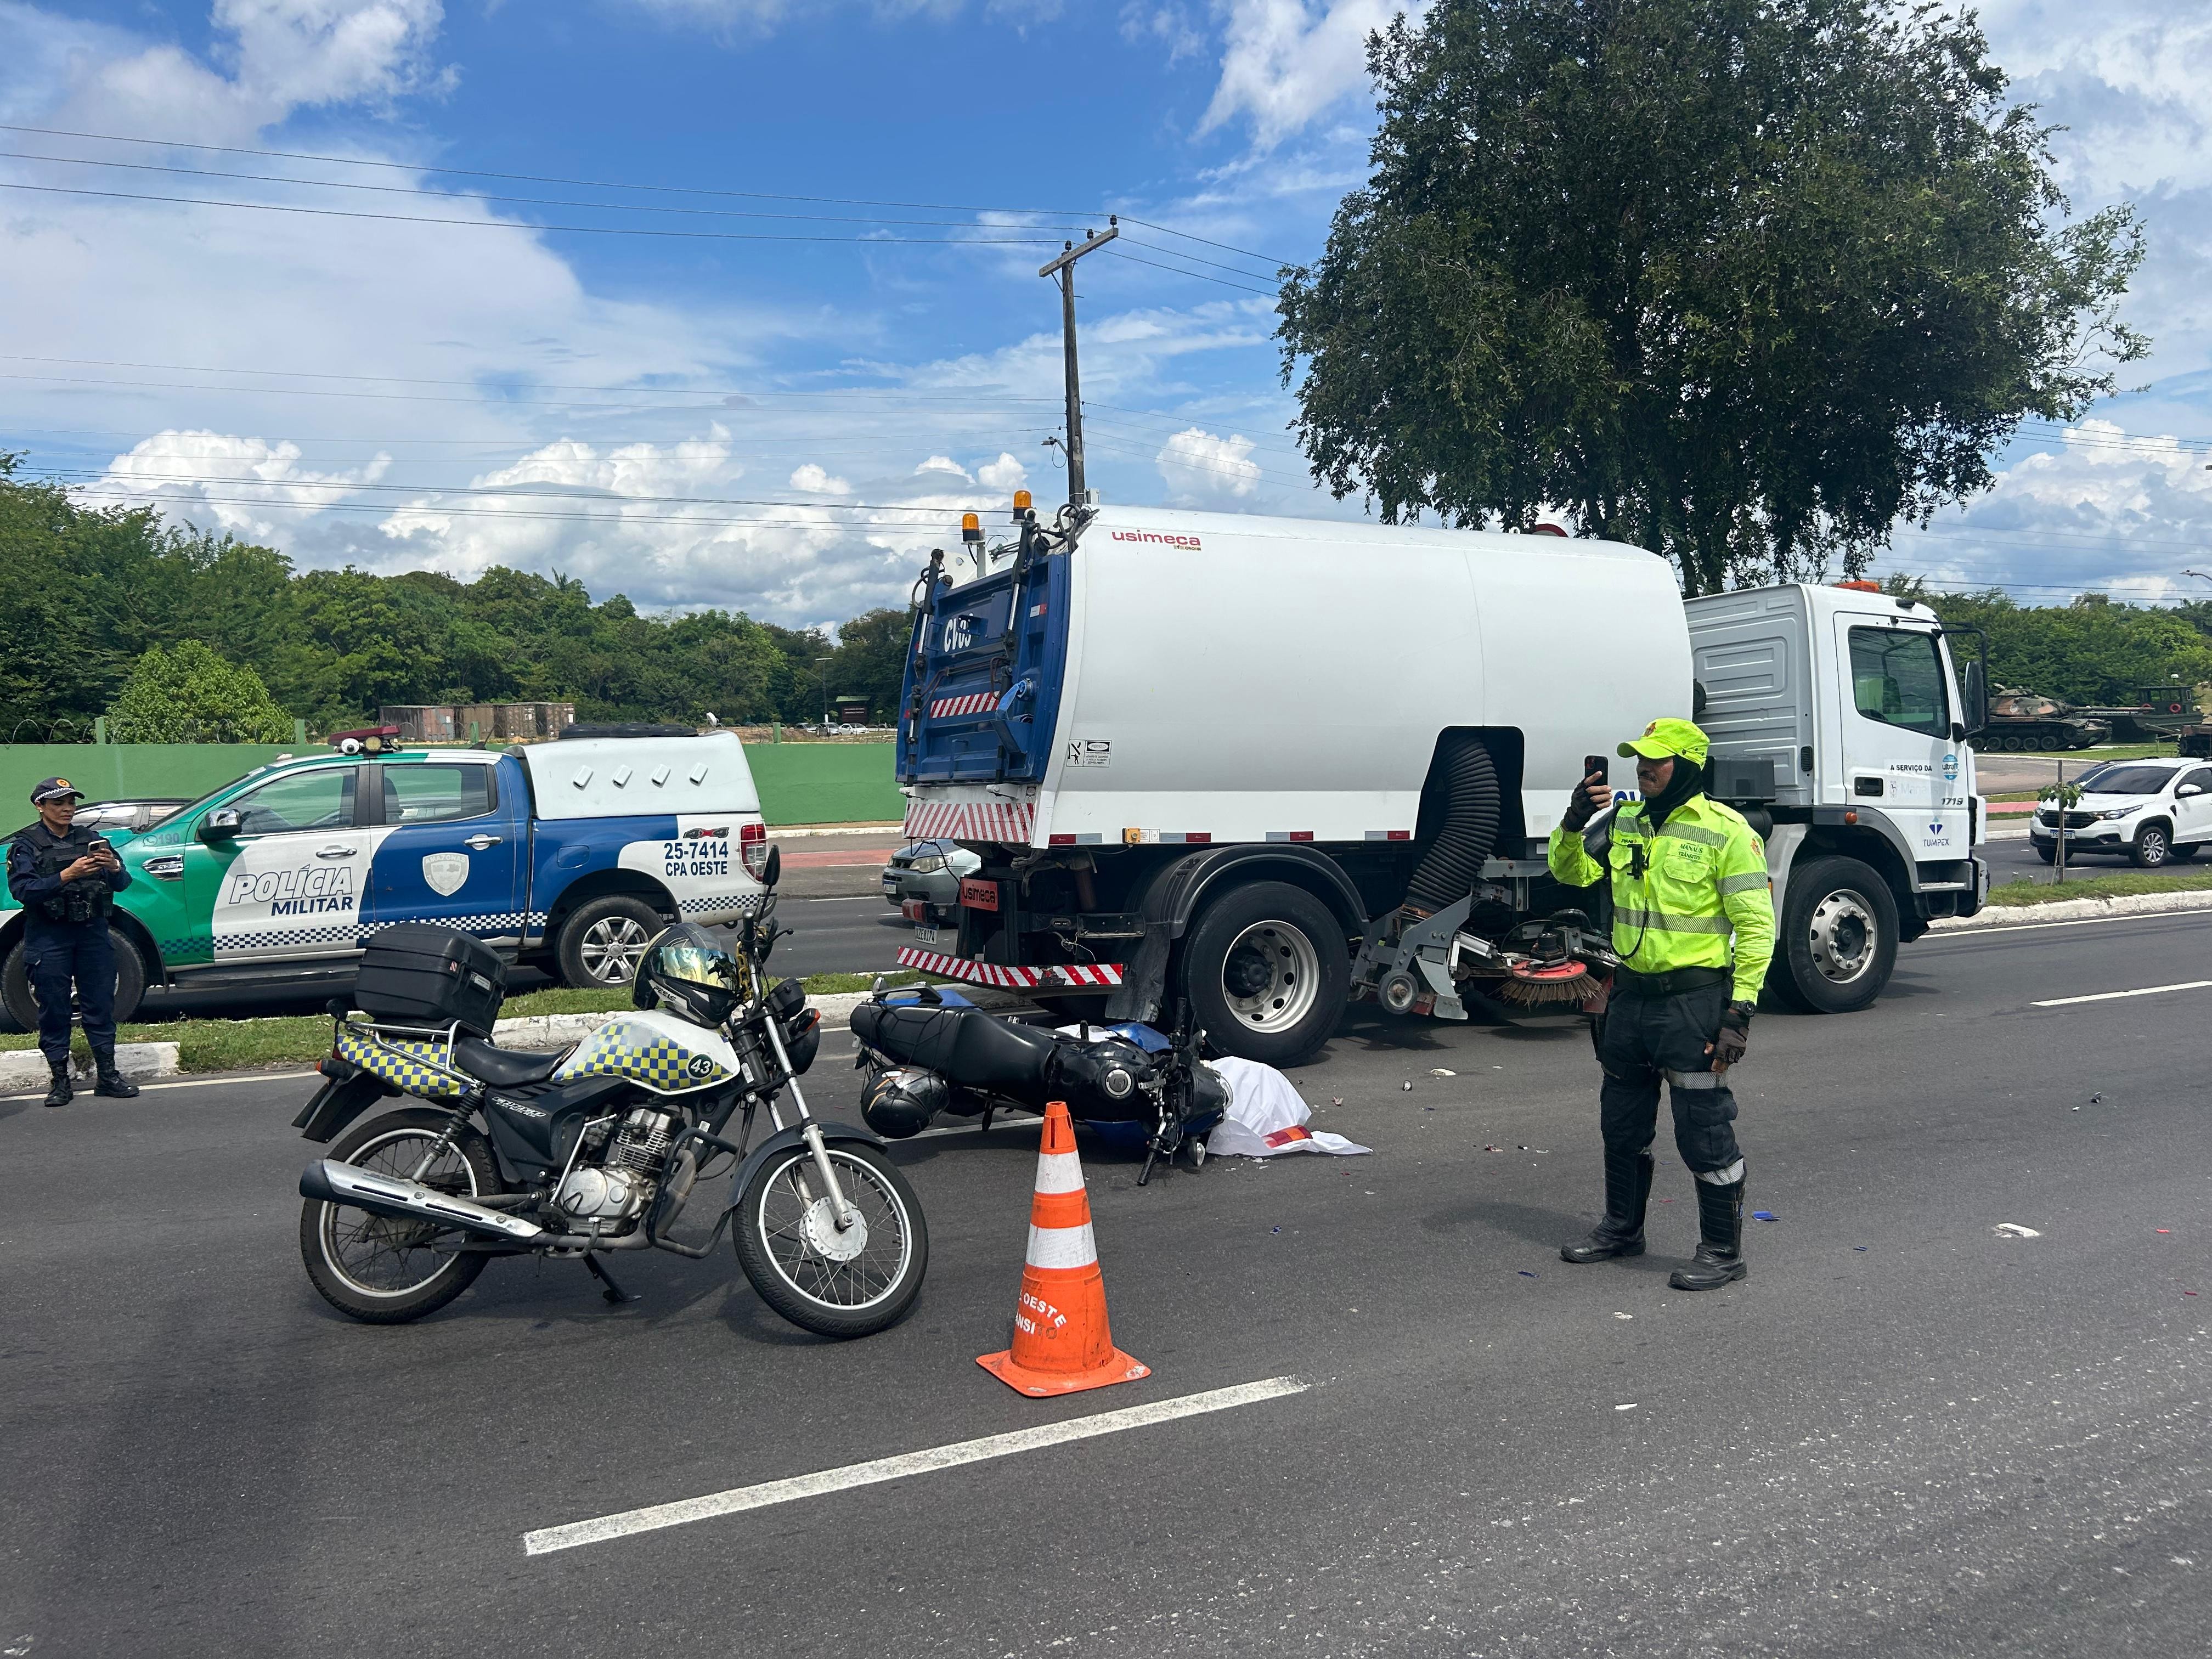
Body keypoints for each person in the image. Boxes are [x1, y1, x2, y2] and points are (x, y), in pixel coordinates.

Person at [1547, 718, 1774, 1289]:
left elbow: (1755, 929)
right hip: (1630, 1000)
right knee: (1621, 1124)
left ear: (1689, 766)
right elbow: (1568, 872)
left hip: (1693, 1002)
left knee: (1704, 1128)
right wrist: (1574, 822)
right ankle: (1622, 1229)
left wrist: (1739, 1014)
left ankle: (1723, 1251)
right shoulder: (1624, 821)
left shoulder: (1727, 831)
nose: (1643, 768)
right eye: (1639, 759)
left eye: (1657, 760)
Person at [7, 778, 138, 1107]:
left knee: (101, 1005)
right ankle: (60, 1081)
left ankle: (108, 1076)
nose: (67, 809)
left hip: (92, 933)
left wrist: (113, 866)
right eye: (58, 804)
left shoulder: (91, 839)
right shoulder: (25, 846)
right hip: (50, 936)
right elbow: (23, 891)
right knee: (54, 1009)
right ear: (40, 807)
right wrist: (68, 874)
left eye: (71, 803)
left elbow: (122, 883)